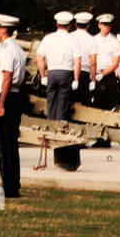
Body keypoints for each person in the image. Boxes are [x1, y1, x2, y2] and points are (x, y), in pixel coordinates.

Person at [36, 11, 80, 170]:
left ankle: (48, 136)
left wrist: (43, 75)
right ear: (68, 25)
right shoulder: (72, 40)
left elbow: (39, 58)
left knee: (51, 105)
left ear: (57, 24)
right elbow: (77, 61)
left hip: (52, 72)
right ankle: (58, 139)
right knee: (63, 107)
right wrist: (76, 79)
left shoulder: (48, 38)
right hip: (66, 73)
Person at [0, 14, 25, 199]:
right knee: (11, 144)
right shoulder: (17, 48)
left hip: (6, 96)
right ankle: (14, 184)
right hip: (16, 96)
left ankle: (9, 187)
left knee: (2, 144)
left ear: (4, 29)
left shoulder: (5, 50)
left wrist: (1, 104)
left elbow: (7, 77)